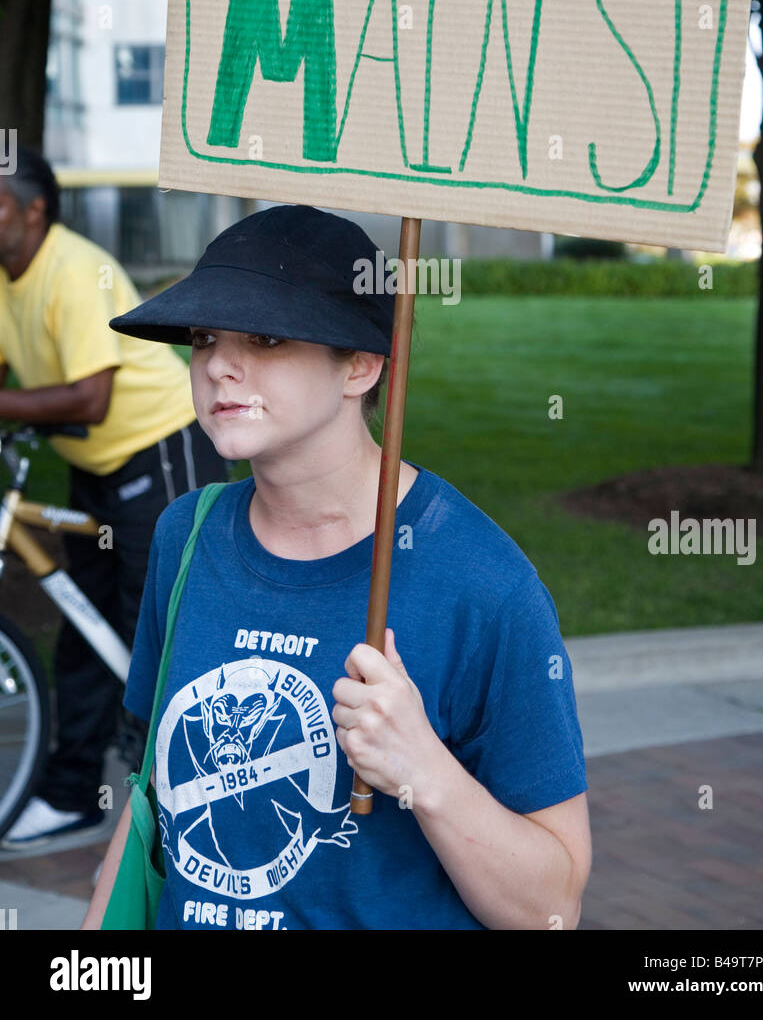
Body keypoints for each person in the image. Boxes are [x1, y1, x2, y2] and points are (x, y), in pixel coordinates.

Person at [83, 203, 591, 930]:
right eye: (203, 339)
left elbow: (552, 906)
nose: (219, 365)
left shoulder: (485, 586)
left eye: (262, 336)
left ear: (361, 364)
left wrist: (422, 768)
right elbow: (156, 798)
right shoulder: (184, 537)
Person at [0, 148, 228, 848]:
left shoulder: (70, 269)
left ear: (33, 211)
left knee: (160, 618)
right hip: (94, 461)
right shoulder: (7, 279)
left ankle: (192, 786)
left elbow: (91, 396)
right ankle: (73, 792)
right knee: (82, 623)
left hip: (157, 445)